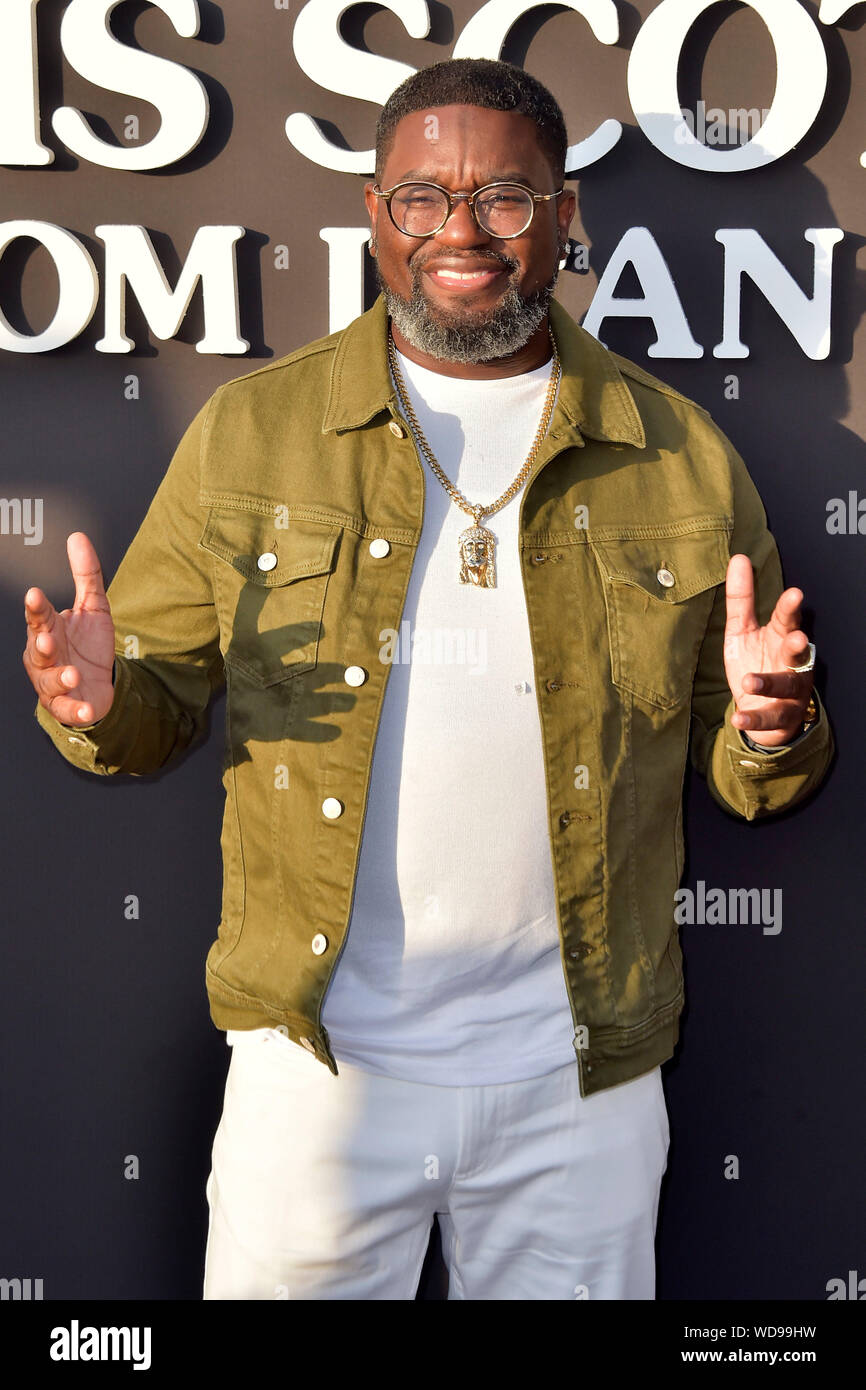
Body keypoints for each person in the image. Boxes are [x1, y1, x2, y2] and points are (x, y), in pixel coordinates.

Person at [22, 58, 834, 1301]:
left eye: (504, 199)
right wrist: (98, 699)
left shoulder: (675, 457)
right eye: (421, 198)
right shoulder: (255, 432)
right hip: (317, 1073)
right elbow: (155, 706)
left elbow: (749, 764)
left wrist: (772, 729)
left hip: (579, 1085)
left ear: (564, 219)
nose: (460, 233)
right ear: (373, 215)